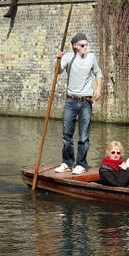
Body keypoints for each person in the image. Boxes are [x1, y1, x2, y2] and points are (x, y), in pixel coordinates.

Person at [54, 33, 102, 174]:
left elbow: (98, 74)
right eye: (82, 45)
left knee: (83, 136)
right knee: (67, 135)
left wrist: (98, 89)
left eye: (86, 45)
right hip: (71, 100)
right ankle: (67, 162)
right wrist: (58, 59)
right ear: (75, 46)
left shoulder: (91, 57)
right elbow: (58, 72)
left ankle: (81, 163)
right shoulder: (68, 57)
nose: (85, 48)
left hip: (86, 101)